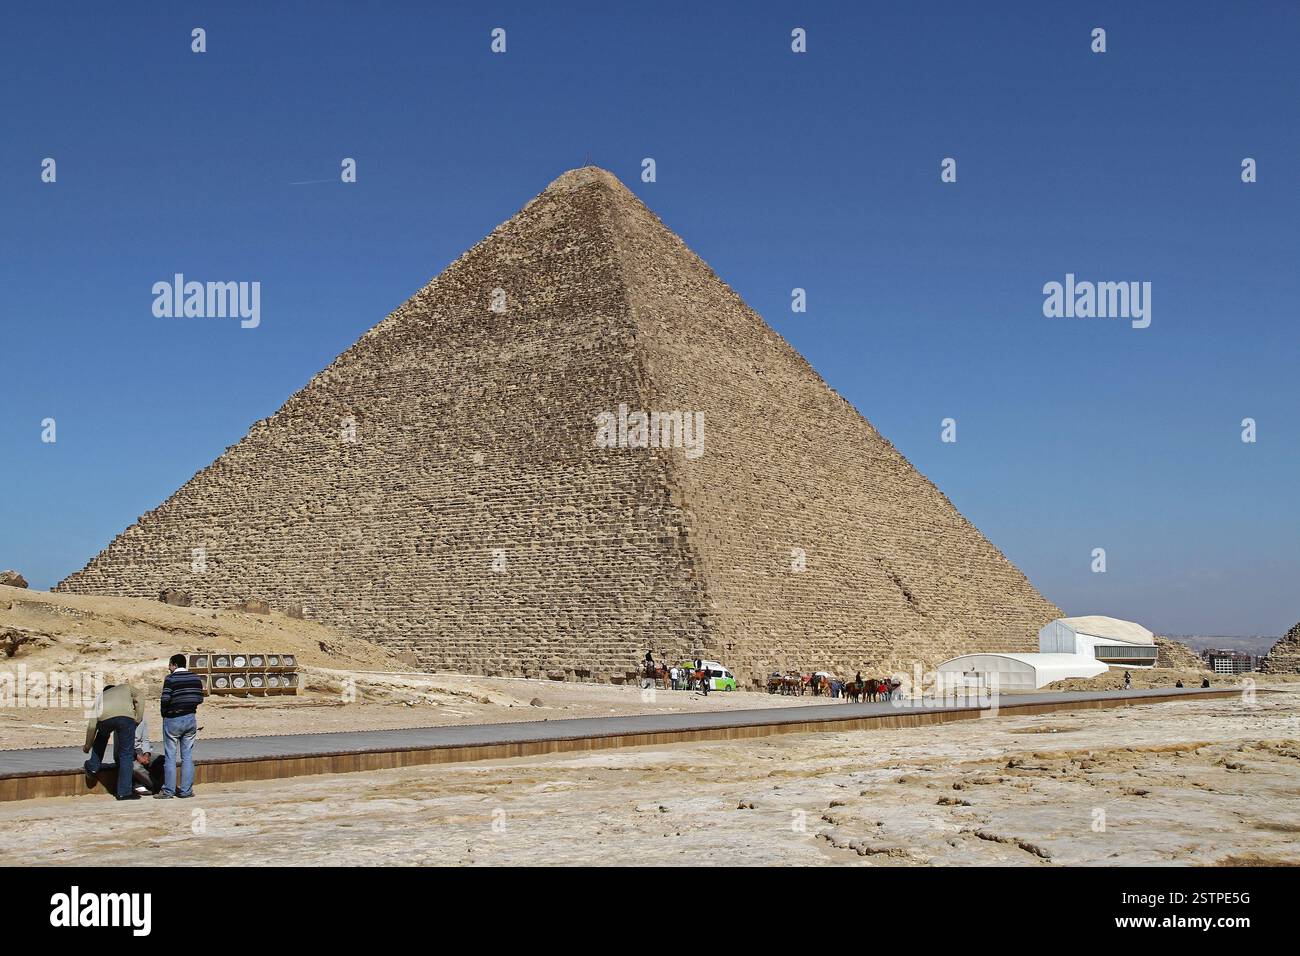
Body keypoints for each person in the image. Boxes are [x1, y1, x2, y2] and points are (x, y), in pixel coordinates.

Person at [82, 681, 146, 800]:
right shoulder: (125, 687)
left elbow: (92, 726)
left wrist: (87, 746)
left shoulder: (98, 699)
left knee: (102, 735)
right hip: (126, 718)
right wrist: (138, 717)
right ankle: (124, 792)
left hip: (105, 718)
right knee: (126, 754)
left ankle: (92, 767)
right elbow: (140, 696)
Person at [156, 653, 204, 799]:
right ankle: (186, 790)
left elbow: (165, 699)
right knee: (187, 756)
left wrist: (164, 713)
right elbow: (200, 698)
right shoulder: (196, 678)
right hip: (190, 718)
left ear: (174, 664)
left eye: (170, 665)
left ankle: (169, 791)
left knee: (170, 756)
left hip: (173, 718)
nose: (169, 668)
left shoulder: (170, 679)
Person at [131, 715, 165, 795]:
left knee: (161, 759)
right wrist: (137, 756)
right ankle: (156, 786)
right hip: (128, 753)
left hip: (140, 750)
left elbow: (145, 740)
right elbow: (124, 746)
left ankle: (159, 783)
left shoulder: (142, 720)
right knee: (136, 768)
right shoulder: (122, 721)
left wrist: (146, 753)